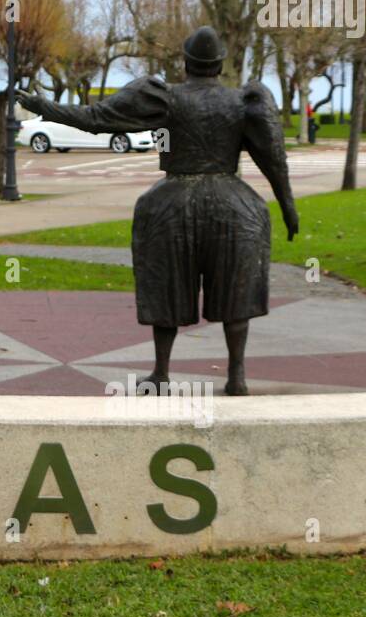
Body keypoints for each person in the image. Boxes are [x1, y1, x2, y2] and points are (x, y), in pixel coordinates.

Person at [17, 26, 298, 396]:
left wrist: (44, 107)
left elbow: (96, 119)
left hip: (172, 201)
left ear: (186, 63)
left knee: (167, 285)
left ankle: (161, 372)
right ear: (220, 65)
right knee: (236, 290)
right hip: (233, 204)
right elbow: (273, 158)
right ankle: (237, 375)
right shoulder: (243, 102)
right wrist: (287, 205)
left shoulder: (164, 98)